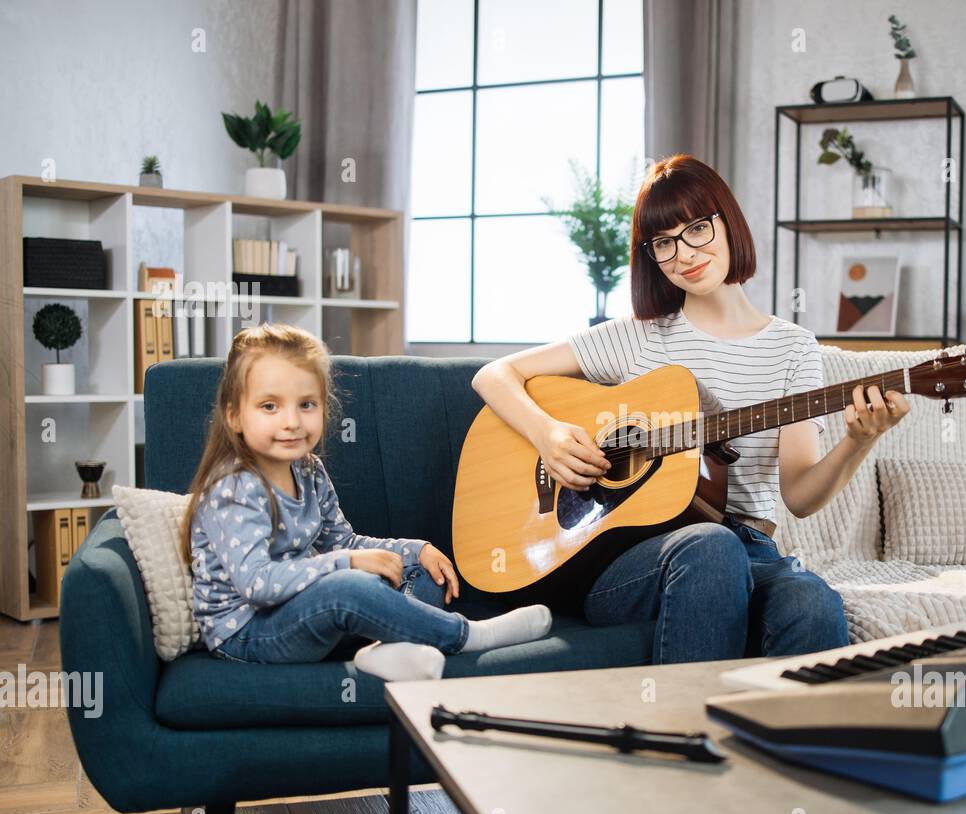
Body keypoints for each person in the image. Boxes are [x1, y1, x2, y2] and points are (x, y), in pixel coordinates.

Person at [471, 154, 910, 664]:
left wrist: (860, 438)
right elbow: (494, 375)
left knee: (812, 602)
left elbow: (800, 496)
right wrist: (548, 434)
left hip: (751, 547)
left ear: (728, 223)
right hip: (633, 557)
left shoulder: (794, 348)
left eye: (698, 229)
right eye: (664, 242)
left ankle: (785, 745)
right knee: (709, 546)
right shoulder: (638, 336)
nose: (684, 253)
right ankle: (685, 737)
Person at [182, 323, 553, 681]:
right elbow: (258, 583)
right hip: (250, 632)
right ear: (234, 416)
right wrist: (347, 564)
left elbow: (343, 542)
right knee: (348, 586)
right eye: (269, 406)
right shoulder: (234, 487)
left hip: (310, 611)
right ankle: (467, 636)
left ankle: (380, 651)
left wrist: (414, 551)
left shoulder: (308, 470)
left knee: (422, 577)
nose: (292, 421)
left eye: (306, 404)